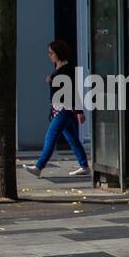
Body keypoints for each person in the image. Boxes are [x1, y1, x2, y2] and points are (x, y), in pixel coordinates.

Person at [25, 40, 89, 176]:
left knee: (50, 136)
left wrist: (79, 111)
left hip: (64, 110)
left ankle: (39, 166)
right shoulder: (58, 69)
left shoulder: (67, 69)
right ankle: (84, 165)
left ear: (58, 53)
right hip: (58, 110)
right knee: (72, 139)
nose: (49, 55)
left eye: (51, 53)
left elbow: (73, 91)